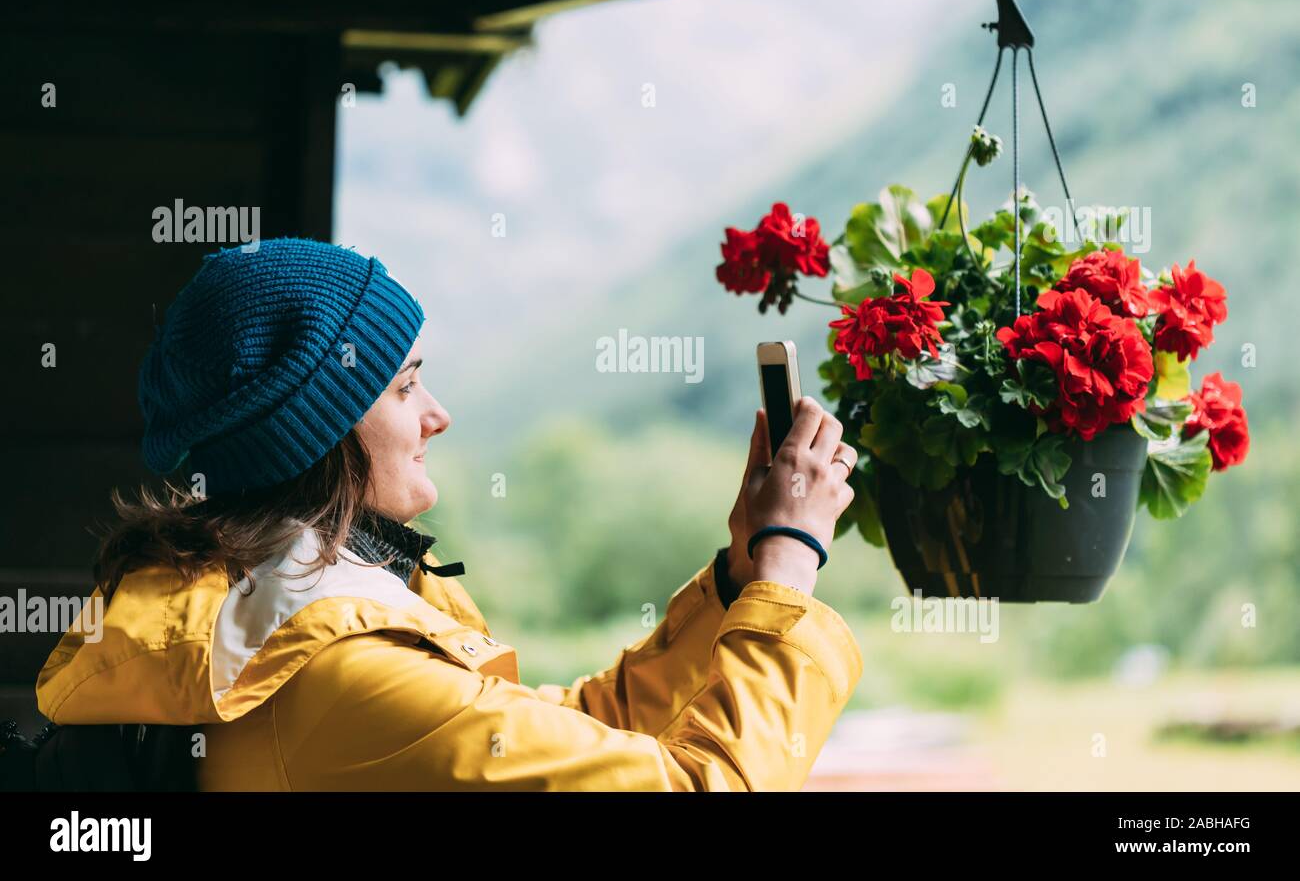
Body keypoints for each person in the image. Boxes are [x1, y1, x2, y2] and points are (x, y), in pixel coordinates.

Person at [35, 237, 863, 791]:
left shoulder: (254, 605)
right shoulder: (341, 674)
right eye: (405, 386)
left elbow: (565, 735)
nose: (438, 414)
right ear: (318, 430)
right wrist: (789, 563)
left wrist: (737, 582)